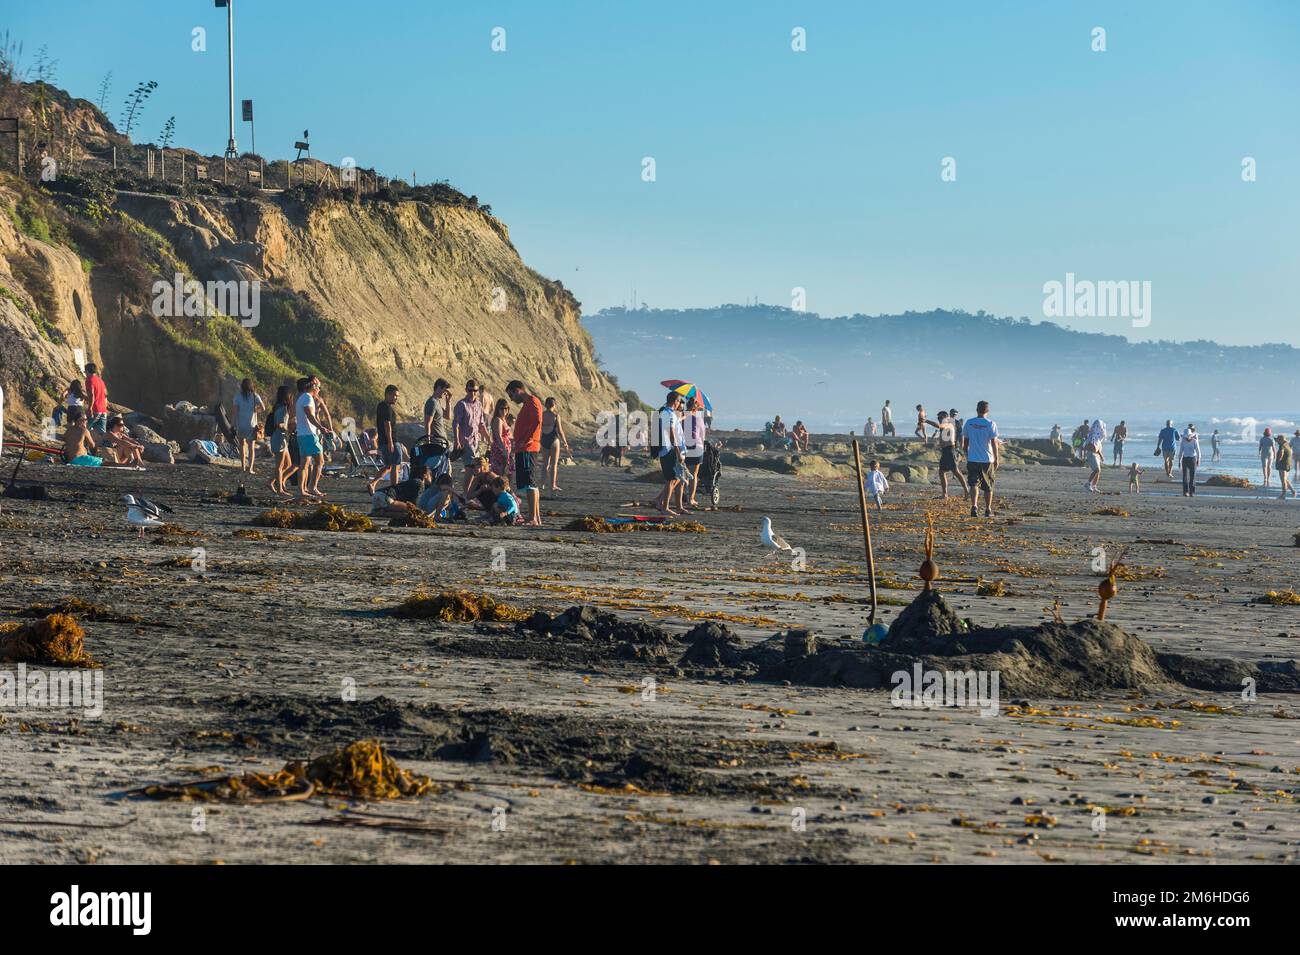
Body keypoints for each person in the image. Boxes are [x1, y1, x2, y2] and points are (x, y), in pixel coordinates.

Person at [506, 379, 544, 526]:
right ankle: (537, 518)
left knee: (530, 483)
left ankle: (533, 518)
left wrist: (526, 440)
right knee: (530, 482)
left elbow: (537, 421)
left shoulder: (533, 401)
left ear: (518, 390)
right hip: (525, 448)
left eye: (511, 395)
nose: (511, 399)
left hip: (529, 448)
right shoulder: (527, 404)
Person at [296, 376, 332, 500]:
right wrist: (321, 428)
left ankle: (303, 489)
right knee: (319, 461)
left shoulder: (302, 397)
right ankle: (312, 487)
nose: (319, 390)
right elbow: (310, 415)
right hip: (309, 434)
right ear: (313, 387)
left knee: (304, 463)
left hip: (302, 434)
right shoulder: (307, 398)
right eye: (318, 387)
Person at [962, 400, 999, 518]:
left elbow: (965, 441)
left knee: (973, 483)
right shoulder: (990, 423)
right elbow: (994, 442)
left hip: (973, 458)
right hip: (987, 459)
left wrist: (966, 452)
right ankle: (988, 509)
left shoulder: (969, 422)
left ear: (977, 409)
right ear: (987, 410)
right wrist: (997, 458)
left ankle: (974, 506)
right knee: (988, 485)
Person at [453, 379, 490, 496]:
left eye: (475, 390)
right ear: (466, 390)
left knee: (475, 469)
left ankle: (469, 494)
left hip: (476, 441)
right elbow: (456, 423)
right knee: (471, 469)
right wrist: (457, 440)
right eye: (470, 390)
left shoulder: (479, 404)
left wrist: (489, 440)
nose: (473, 393)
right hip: (465, 440)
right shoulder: (461, 404)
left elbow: (481, 424)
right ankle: (466, 494)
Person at [653, 391, 686, 517]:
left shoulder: (669, 413)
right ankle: (664, 507)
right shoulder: (668, 414)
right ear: (675, 401)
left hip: (670, 450)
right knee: (671, 479)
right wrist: (678, 452)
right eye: (679, 401)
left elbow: (677, 422)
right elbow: (671, 434)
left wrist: (688, 414)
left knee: (674, 479)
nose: (680, 404)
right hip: (669, 450)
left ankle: (663, 505)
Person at [368, 384, 402, 495]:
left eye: (397, 396)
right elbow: (387, 425)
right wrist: (391, 442)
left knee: (388, 467)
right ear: (388, 394)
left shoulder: (381, 406)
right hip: (390, 442)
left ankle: (373, 483)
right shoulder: (386, 407)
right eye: (395, 395)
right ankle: (394, 490)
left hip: (384, 442)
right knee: (395, 467)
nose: (396, 398)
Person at [231, 378, 266, 474]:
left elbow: (234, 412)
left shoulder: (237, 397)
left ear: (242, 386)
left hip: (241, 425)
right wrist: (256, 410)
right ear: (251, 386)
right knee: (251, 447)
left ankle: (243, 467)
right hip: (251, 425)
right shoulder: (255, 396)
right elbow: (263, 408)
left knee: (242, 446)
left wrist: (232, 425)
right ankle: (250, 468)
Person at [266, 385, 295, 497]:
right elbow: (279, 424)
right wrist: (289, 429)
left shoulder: (278, 407)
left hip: (281, 438)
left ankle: (271, 482)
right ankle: (280, 490)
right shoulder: (282, 408)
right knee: (280, 465)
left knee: (288, 464)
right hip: (279, 438)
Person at [934, 411, 969, 498]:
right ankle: (944, 494)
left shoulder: (948, 424)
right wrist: (939, 444)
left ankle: (966, 491)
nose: (939, 419)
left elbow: (938, 426)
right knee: (941, 472)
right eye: (938, 418)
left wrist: (926, 421)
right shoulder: (944, 426)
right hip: (945, 451)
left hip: (950, 451)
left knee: (956, 472)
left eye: (940, 418)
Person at [540, 397, 571, 493]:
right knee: (554, 465)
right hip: (553, 439)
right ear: (554, 405)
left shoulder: (542, 415)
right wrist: (565, 442)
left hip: (544, 439)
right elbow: (560, 431)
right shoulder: (556, 415)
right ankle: (552, 485)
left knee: (545, 464)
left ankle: (542, 484)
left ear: (546, 405)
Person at [683, 396, 708, 508]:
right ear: (696, 409)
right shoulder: (699, 420)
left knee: (683, 473)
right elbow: (702, 436)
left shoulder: (682, 417)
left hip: (685, 448)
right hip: (697, 448)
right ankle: (691, 499)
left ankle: (683, 494)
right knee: (694, 474)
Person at [489, 398, 513, 476]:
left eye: (506, 408)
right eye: (501, 408)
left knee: (506, 472)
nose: (504, 410)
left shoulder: (504, 420)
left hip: (505, 448)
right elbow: (498, 436)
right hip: (499, 449)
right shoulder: (498, 420)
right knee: (500, 473)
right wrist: (504, 450)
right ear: (498, 409)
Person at [84, 362, 109, 432]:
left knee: (85, 428)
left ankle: (80, 442)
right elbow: (105, 395)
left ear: (87, 371)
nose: (85, 373)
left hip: (95, 408)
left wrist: (90, 408)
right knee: (102, 432)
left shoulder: (89, 380)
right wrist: (105, 406)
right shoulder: (101, 381)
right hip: (103, 409)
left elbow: (92, 395)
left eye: (85, 371)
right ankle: (101, 443)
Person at [1179, 423, 1201, 496]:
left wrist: (1198, 459)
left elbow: (1198, 451)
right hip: (1185, 459)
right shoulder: (1183, 441)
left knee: (1192, 476)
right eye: (1186, 436)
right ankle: (1185, 492)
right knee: (1184, 476)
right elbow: (1181, 452)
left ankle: (1192, 492)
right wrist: (1179, 461)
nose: (1187, 438)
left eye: (1188, 436)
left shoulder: (1195, 441)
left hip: (1192, 459)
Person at [1086, 418, 1107, 492]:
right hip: (1091, 454)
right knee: (1096, 469)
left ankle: (1094, 486)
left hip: (1096, 454)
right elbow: (1088, 446)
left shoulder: (1098, 438)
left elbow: (1097, 448)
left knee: (1099, 471)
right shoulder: (1092, 436)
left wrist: (1101, 455)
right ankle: (1088, 484)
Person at [1276, 434, 1294, 500]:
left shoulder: (1282, 446)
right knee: (1285, 479)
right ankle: (1293, 491)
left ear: (1281, 440)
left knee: (1283, 480)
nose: (1277, 442)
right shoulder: (1288, 445)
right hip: (1288, 464)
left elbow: (1281, 453)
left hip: (1282, 464)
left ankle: (1283, 494)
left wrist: (1278, 460)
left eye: (1277, 440)